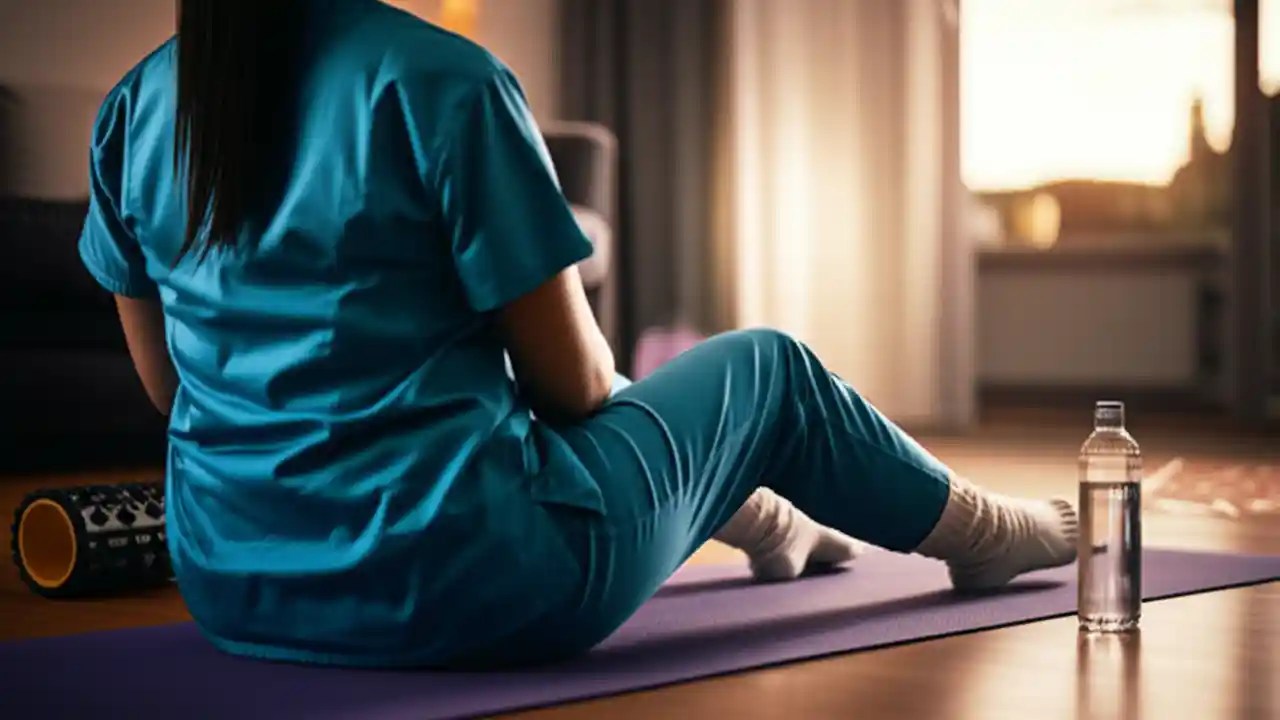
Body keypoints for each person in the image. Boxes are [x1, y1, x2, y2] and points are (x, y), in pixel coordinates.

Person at [80, 0, 1078, 670]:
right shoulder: (441, 80)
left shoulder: (133, 106)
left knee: (510, 418)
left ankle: (771, 526)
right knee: (765, 371)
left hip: (230, 584)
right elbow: (578, 390)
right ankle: (985, 538)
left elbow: (170, 392)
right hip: (476, 583)